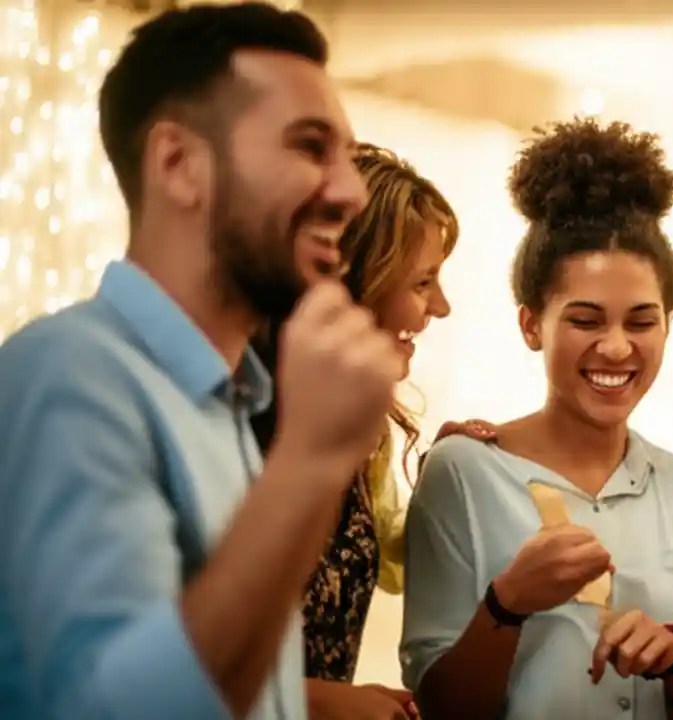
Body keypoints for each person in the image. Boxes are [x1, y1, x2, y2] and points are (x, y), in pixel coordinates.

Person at [0, 3, 407, 719]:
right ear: (179, 164)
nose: (349, 192)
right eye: (311, 147)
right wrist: (310, 461)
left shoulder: (229, 402)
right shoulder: (70, 375)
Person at [399, 118, 673, 719]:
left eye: (642, 321)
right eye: (586, 321)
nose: (616, 348)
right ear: (532, 325)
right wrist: (506, 606)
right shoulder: (462, 472)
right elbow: (438, 709)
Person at [249, 142, 484, 719]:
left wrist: (448, 475)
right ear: (354, 283)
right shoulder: (230, 428)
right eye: (423, 283)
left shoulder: (363, 434)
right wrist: (324, 701)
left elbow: (390, 559)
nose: (443, 307)